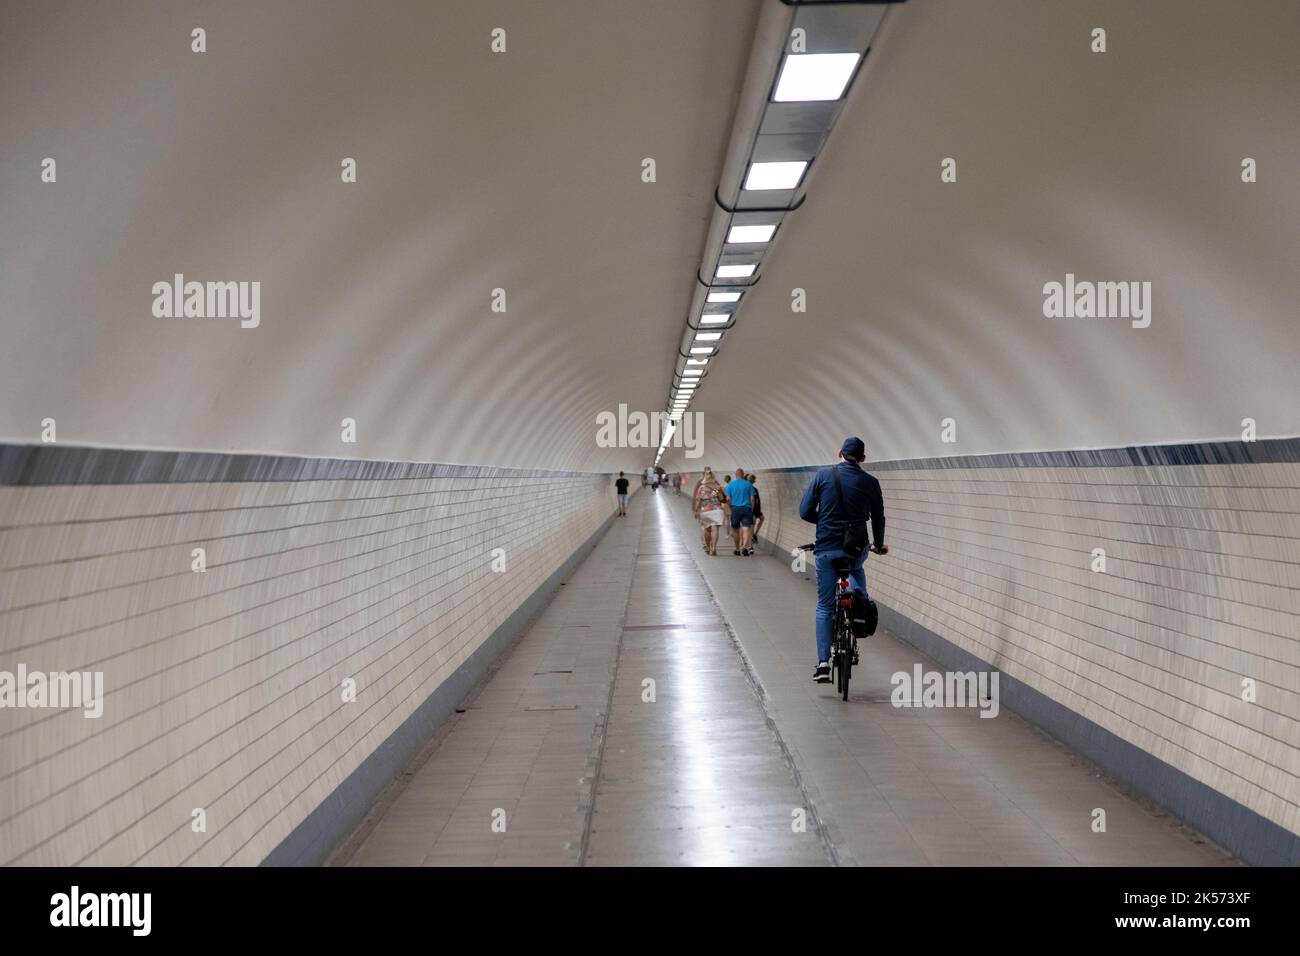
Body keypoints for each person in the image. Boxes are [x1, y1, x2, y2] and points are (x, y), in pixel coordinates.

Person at [799, 437, 887, 684]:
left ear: (839, 453)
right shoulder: (870, 482)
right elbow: (878, 518)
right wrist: (878, 544)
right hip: (855, 548)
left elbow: (805, 511)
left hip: (826, 549)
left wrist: (826, 522)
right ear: (863, 459)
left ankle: (824, 663)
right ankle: (860, 597)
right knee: (856, 568)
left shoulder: (822, 475)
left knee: (825, 607)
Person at [724, 468, 757, 556]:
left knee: (735, 529)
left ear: (735, 475)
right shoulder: (748, 484)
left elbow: (727, 499)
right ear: (743, 474)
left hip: (735, 508)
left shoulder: (730, 484)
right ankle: (745, 547)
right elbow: (752, 499)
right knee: (746, 528)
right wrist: (752, 509)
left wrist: (731, 507)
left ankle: (737, 549)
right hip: (747, 508)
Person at [693, 467, 726, 556]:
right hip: (717, 510)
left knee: (707, 530)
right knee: (715, 530)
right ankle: (714, 548)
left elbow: (698, 500)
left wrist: (696, 510)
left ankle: (707, 547)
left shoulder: (701, 488)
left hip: (706, 511)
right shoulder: (717, 487)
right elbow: (722, 499)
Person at [746, 474, 764, 545]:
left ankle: (754, 535)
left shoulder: (751, 488)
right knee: (753, 524)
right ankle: (752, 539)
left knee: (755, 522)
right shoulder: (753, 489)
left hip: (753, 509)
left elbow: (756, 501)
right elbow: (755, 501)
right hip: (753, 509)